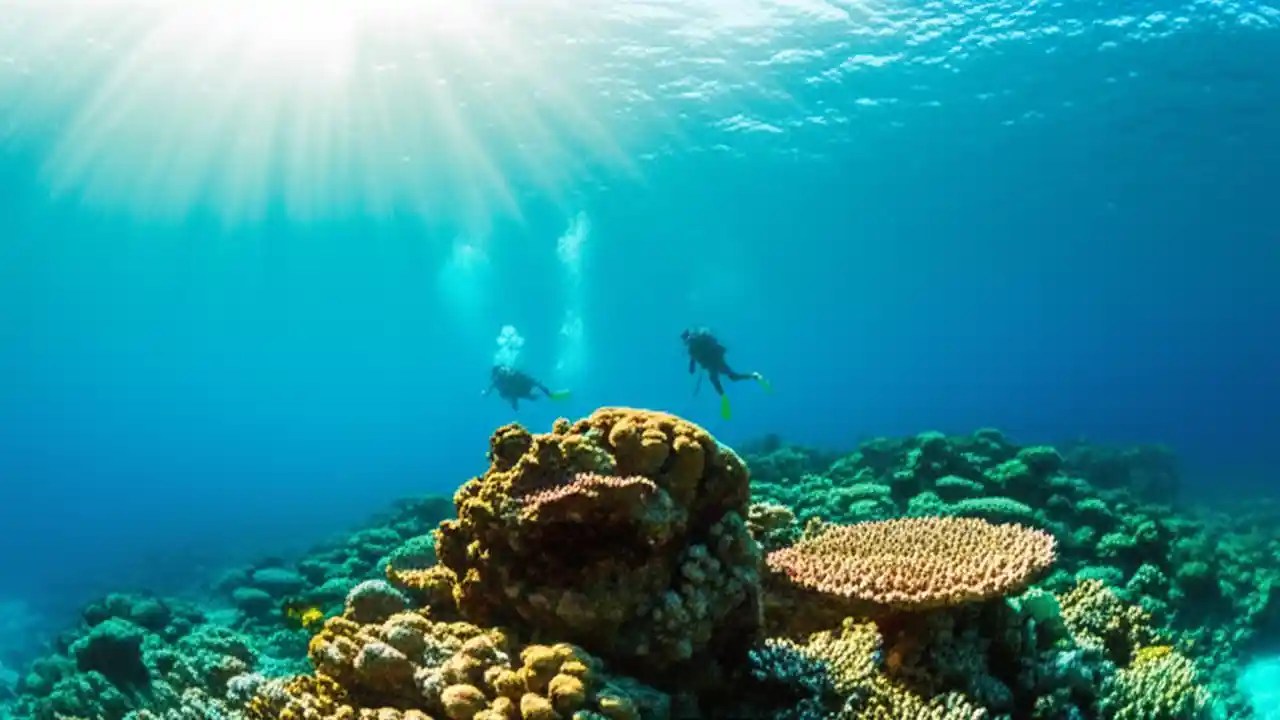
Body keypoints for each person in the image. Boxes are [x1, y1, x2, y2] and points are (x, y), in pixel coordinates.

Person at [681, 327, 770, 419]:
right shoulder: (693, 348)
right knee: (728, 377)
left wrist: (693, 366)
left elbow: (692, 366)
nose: (688, 342)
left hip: (715, 361)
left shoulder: (696, 344)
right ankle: (753, 376)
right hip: (714, 362)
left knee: (721, 378)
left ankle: (726, 394)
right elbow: (692, 366)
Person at [483, 365, 570, 410]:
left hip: (522, 389)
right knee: (531, 395)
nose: (503, 372)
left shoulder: (506, 376)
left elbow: (531, 380)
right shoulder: (498, 381)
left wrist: (486, 393)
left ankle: (549, 395)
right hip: (520, 391)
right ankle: (548, 395)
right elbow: (492, 388)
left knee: (532, 393)